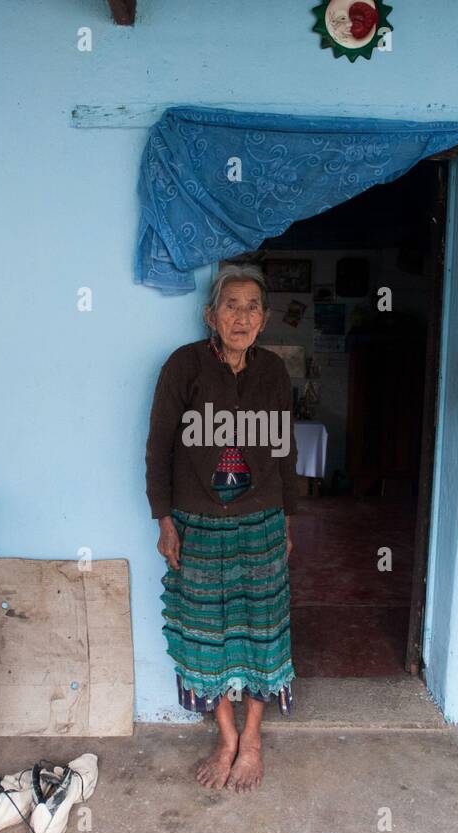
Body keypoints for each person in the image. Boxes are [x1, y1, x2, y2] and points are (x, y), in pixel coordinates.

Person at [144, 263, 298, 793]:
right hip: (199, 516)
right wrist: (164, 518)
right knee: (205, 630)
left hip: (260, 513)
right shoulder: (184, 366)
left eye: (252, 307)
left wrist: (288, 517)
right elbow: (159, 446)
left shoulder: (273, 371)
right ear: (210, 315)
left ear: (265, 319)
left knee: (263, 626)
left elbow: (284, 448)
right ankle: (226, 736)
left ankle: (252, 740)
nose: (241, 316)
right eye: (230, 305)